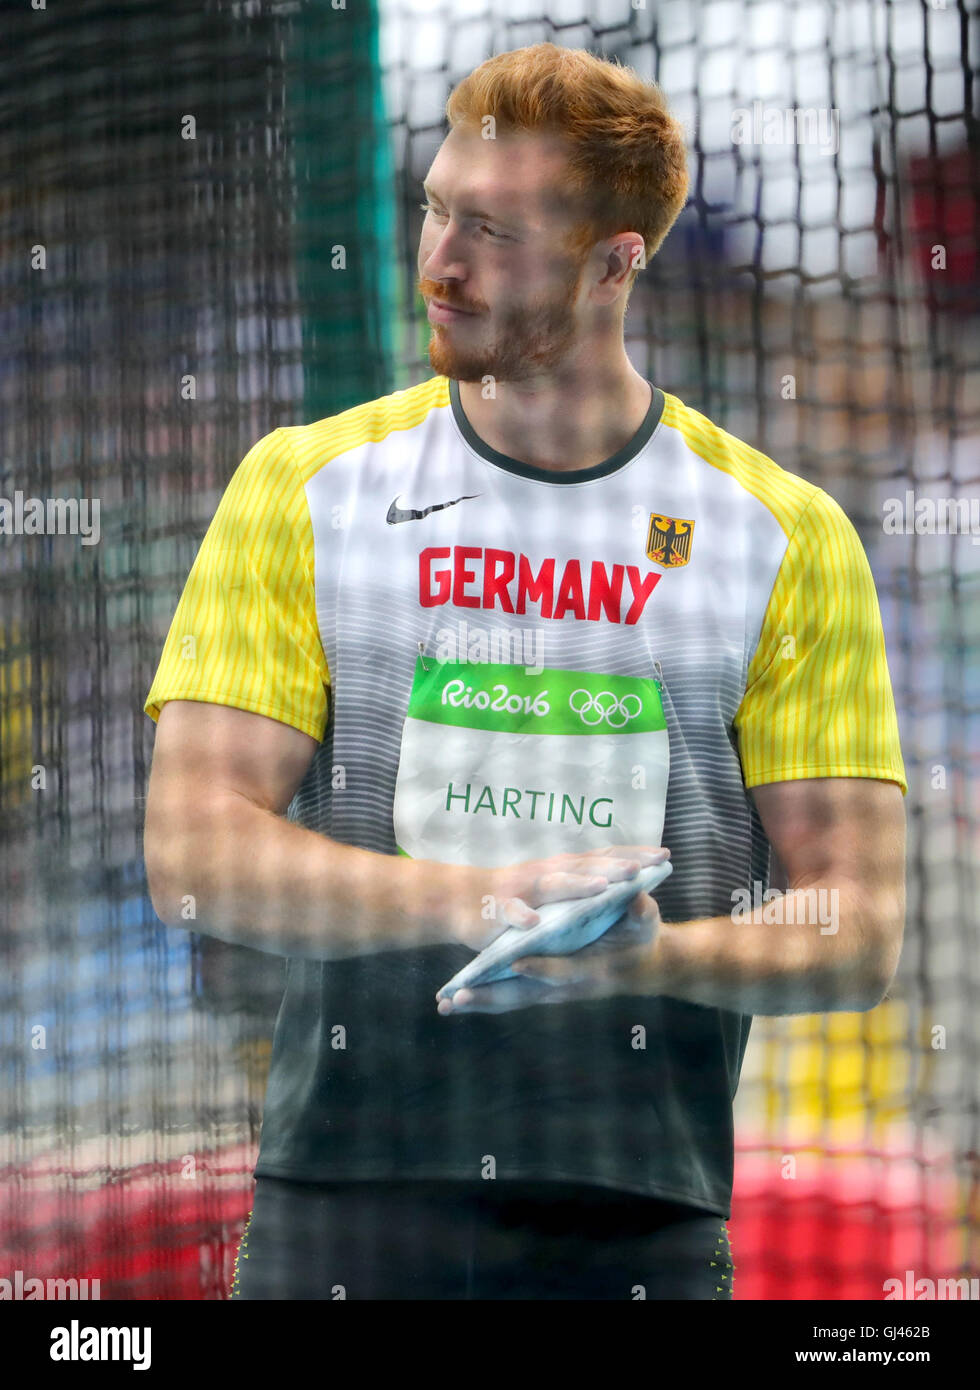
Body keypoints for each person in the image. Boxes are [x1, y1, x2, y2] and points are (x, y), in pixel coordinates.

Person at [142, 43, 907, 1300]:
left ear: (616, 259)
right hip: (343, 1198)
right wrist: (482, 903)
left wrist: (652, 960)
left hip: (634, 1209)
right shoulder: (307, 488)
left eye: (491, 229)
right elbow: (192, 852)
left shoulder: (780, 537)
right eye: (438, 205)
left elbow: (859, 928)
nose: (438, 261)